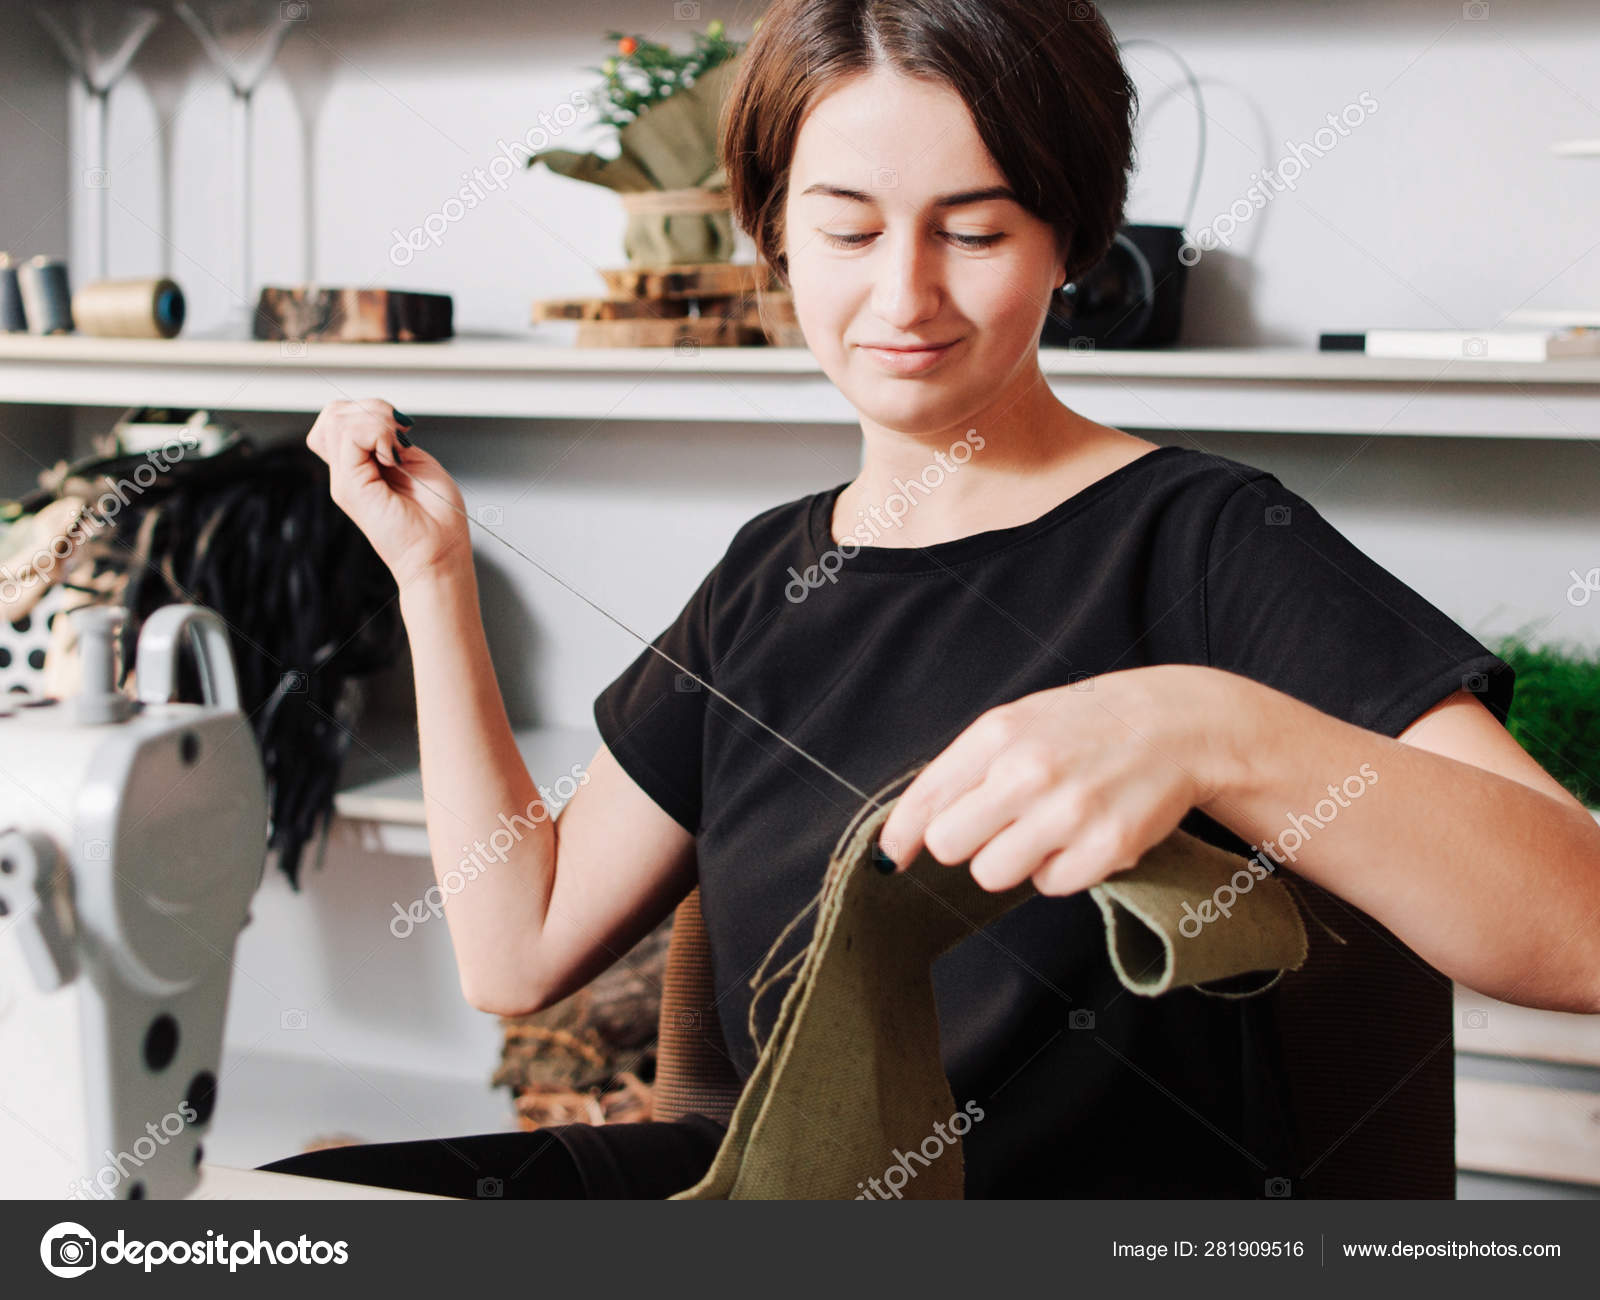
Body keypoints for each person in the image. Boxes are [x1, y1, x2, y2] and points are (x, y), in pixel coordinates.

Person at [267, 0, 1600, 1199]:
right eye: (846, 229)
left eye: (973, 230)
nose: (902, 295)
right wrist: (431, 579)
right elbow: (515, 949)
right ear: (773, 234)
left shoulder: (1206, 543)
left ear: (1071, 238)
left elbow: (1582, 931)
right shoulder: (767, 581)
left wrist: (1214, 729)